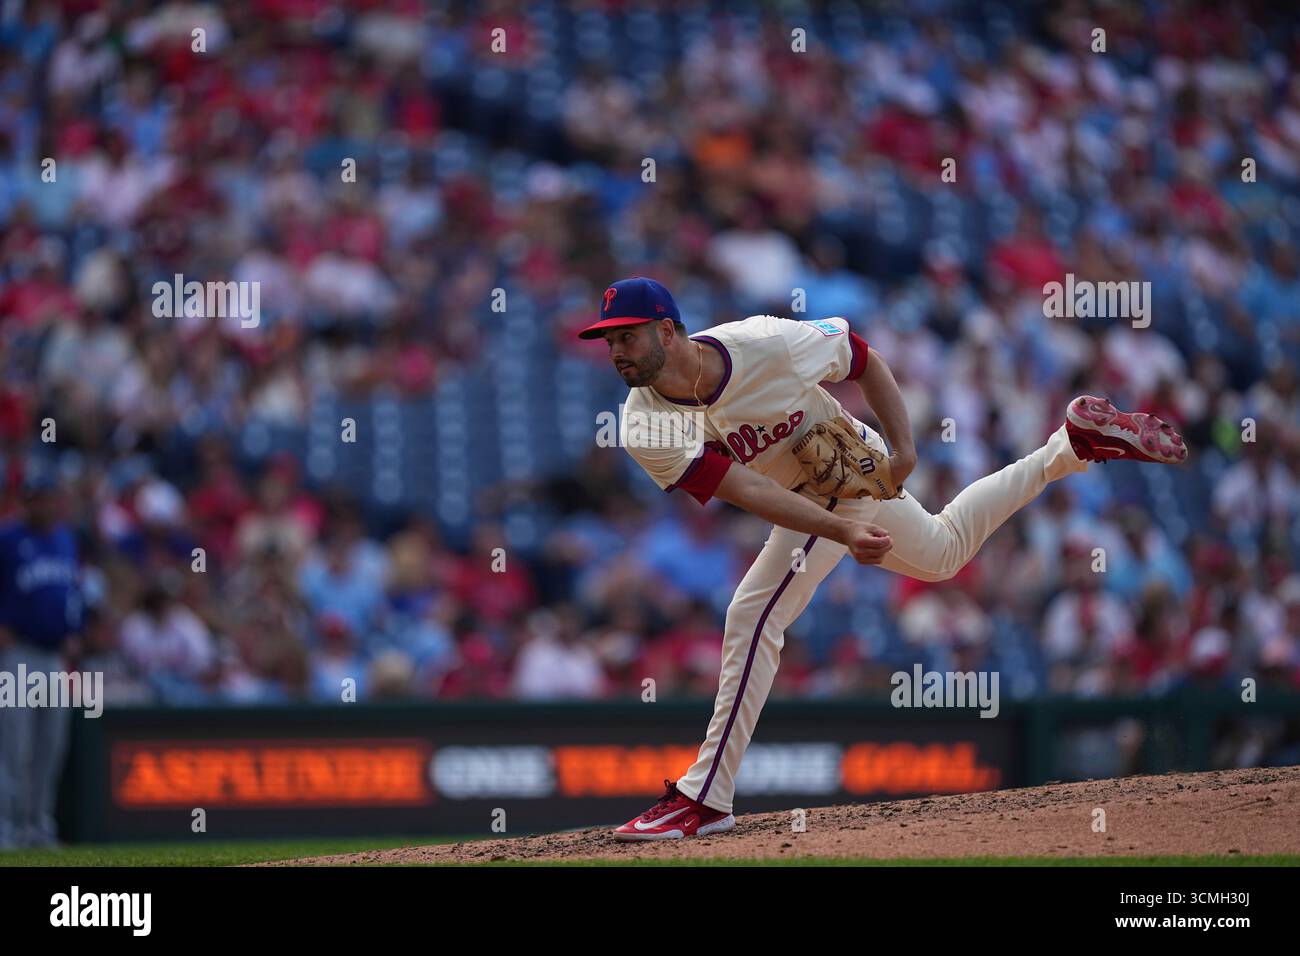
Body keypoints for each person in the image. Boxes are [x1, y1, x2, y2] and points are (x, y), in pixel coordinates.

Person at [578, 276, 1187, 840]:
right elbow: (749, 490)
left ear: (666, 330)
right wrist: (840, 531)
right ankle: (1068, 448)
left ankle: (703, 798)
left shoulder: (765, 342)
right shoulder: (643, 424)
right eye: (609, 341)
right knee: (944, 553)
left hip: (851, 464)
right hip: (809, 496)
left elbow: (862, 357)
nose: (616, 352)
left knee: (752, 615)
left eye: (626, 335)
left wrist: (903, 448)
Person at [0, 462, 83, 849]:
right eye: (35, 498)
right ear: (25, 501)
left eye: (48, 497)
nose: (43, 504)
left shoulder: (66, 540)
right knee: (14, 746)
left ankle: (39, 825)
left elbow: (69, 593)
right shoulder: (9, 540)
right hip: (19, 654)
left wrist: (72, 631)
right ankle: (9, 827)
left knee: (51, 747)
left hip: (54, 657)